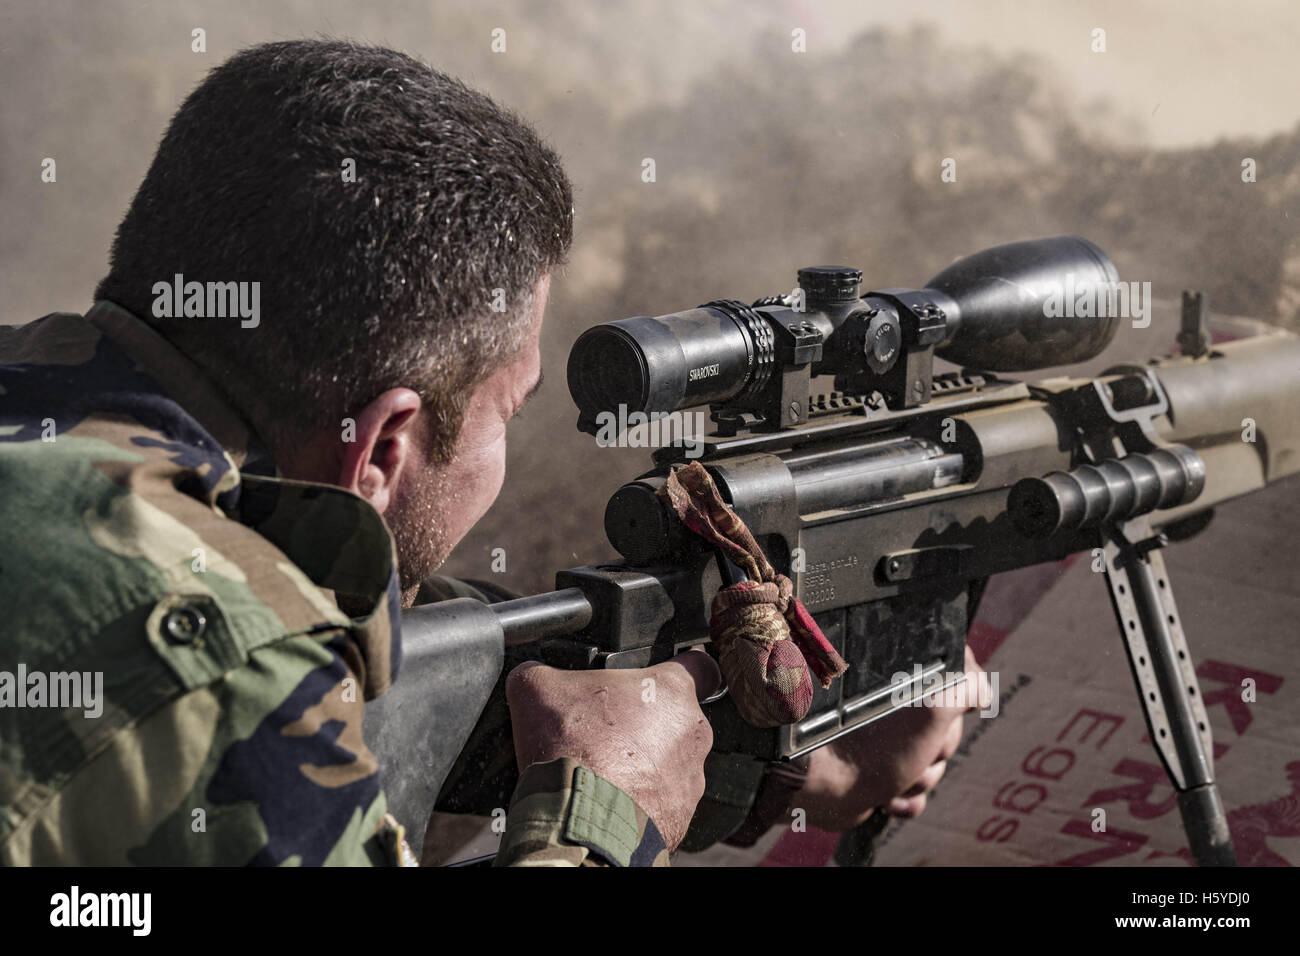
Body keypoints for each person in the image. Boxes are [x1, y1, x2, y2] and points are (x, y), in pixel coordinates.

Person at [0, 40, 968, 867]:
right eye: (509, 411)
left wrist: (778, 768)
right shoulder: (219, 658)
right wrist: (597, 820)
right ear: (381, 443)